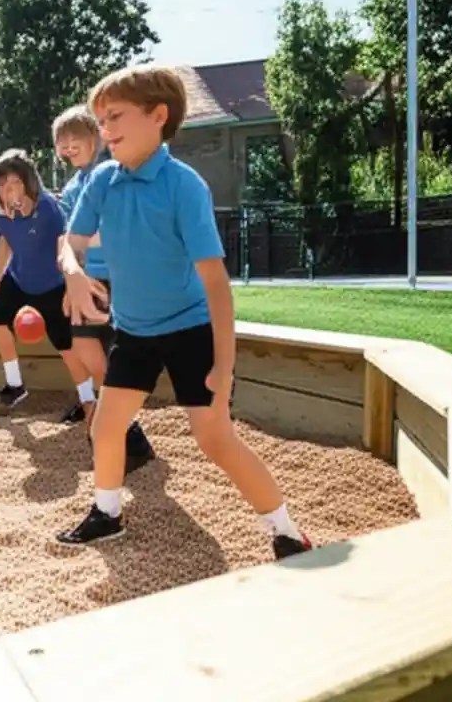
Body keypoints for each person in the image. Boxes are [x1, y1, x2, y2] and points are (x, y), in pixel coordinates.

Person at [56, 65, 313, 560]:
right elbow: (72, 241)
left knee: (214, 438)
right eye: (100, 119)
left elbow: (217, 285)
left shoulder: (183, 186)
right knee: (106, 428)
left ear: (158, 116)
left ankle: (286, 531)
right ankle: (107, 515)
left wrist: (224, 364)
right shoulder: (103, 180)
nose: (104, 128)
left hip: (191, 329)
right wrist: (72, 271)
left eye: (115, 116)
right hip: (134, 332)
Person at [52, 105, 155, 470]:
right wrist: (70, 280)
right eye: (61, 142)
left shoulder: (113, 175)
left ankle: (127, 436)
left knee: (114, 356)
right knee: (86, 350)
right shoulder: (71, 188)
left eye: (73, 138)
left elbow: (113, 230)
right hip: (85, 282)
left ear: (94, 137)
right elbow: (68, 239)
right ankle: (130, 432)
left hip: (117, 280)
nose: (66, 146)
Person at [0, 148, 94, 423]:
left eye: (14, 182)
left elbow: (67, 244)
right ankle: (15, 385)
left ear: (28, 182)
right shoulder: (2, 215)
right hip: (19, 278)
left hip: (52, 285)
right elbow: (5, 241)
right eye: (1, 185)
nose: (7, 190)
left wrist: (72, 286)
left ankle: (88, 401)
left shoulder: (48, 208)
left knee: (66, 347)